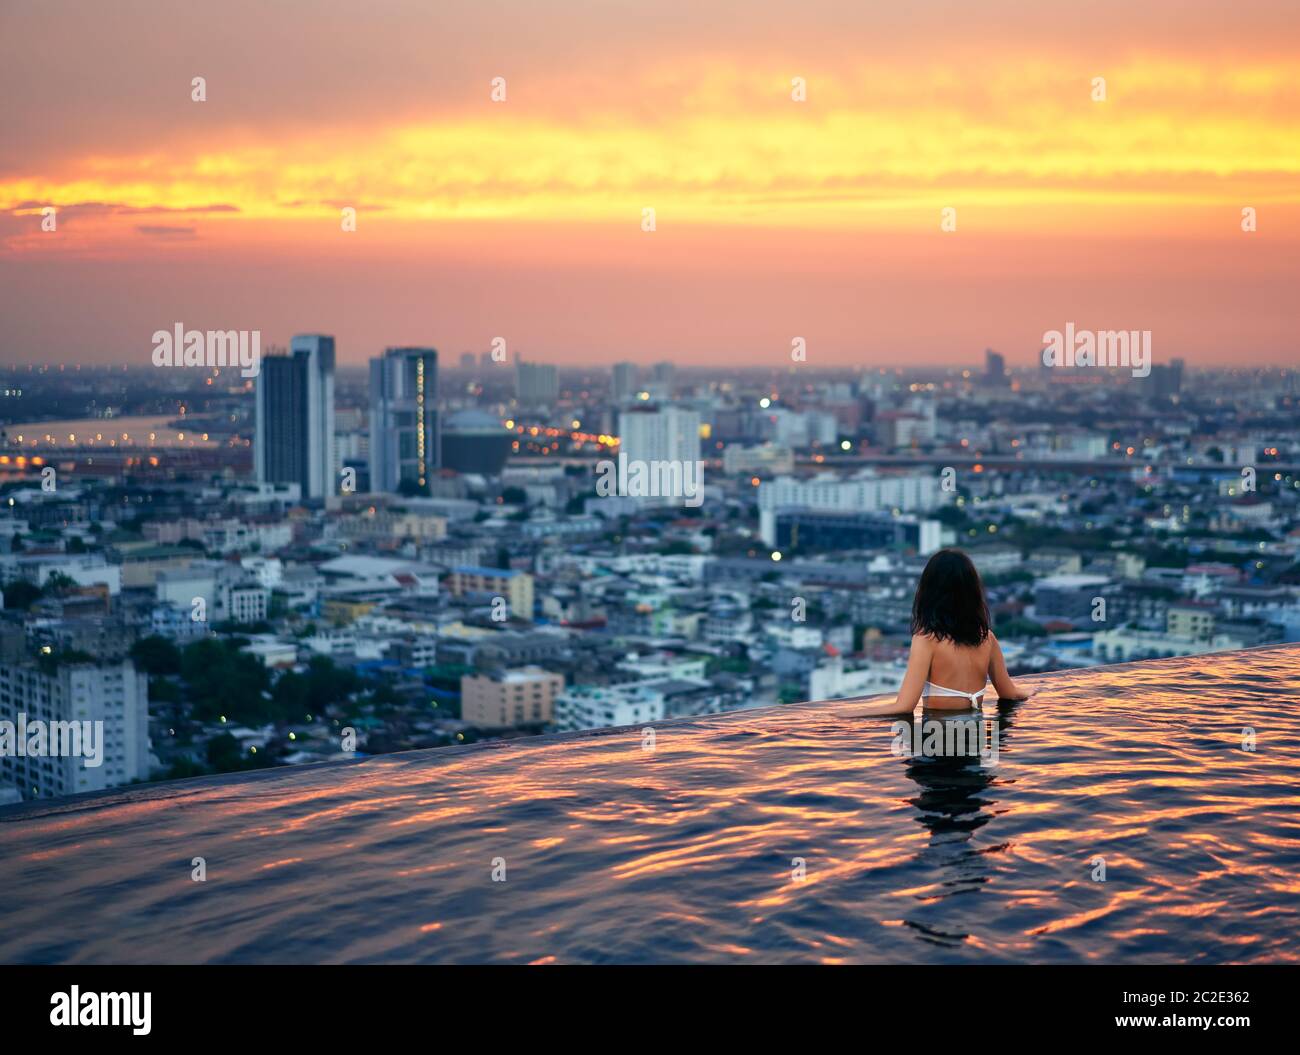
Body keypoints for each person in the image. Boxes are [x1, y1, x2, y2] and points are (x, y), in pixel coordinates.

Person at [851, 548, 1035, 716]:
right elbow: (1009, 693)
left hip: (938, 742)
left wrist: (847, 715)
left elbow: (904, 706)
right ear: (972, 592)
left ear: (929, 591)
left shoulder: (926, 640)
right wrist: (1035, 691)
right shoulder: (987, 638)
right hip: (975, 742)